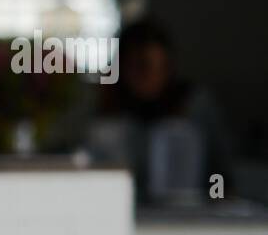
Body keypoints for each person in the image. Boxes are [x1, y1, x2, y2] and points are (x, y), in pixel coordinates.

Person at [95, 17, 235, 202]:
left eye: (159, 68)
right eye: (140, 67)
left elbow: (222, 171)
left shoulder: (193, 107)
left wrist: (218, 205)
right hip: (124, 214)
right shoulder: (108, 120)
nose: (149, 77)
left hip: (188, 214)